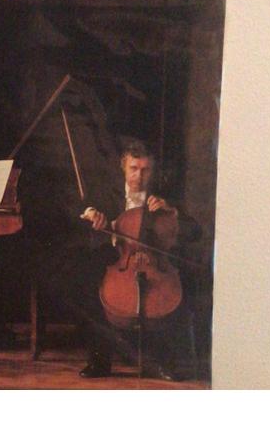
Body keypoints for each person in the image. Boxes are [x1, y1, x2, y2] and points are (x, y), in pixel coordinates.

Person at [77, 140, 202, 380]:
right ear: (123, 167)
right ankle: (99, 361)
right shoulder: (107, 191)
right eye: (133, 168)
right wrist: (92, 215)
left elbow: (195, 232)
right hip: (118, 258)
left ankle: (163, 364)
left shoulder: (163, 197)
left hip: (156, 262)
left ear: (153, 171)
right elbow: (84, 209)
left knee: (175, 294)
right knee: (89, 282)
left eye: (145, 170)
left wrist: (172, 212)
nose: (139, 176)